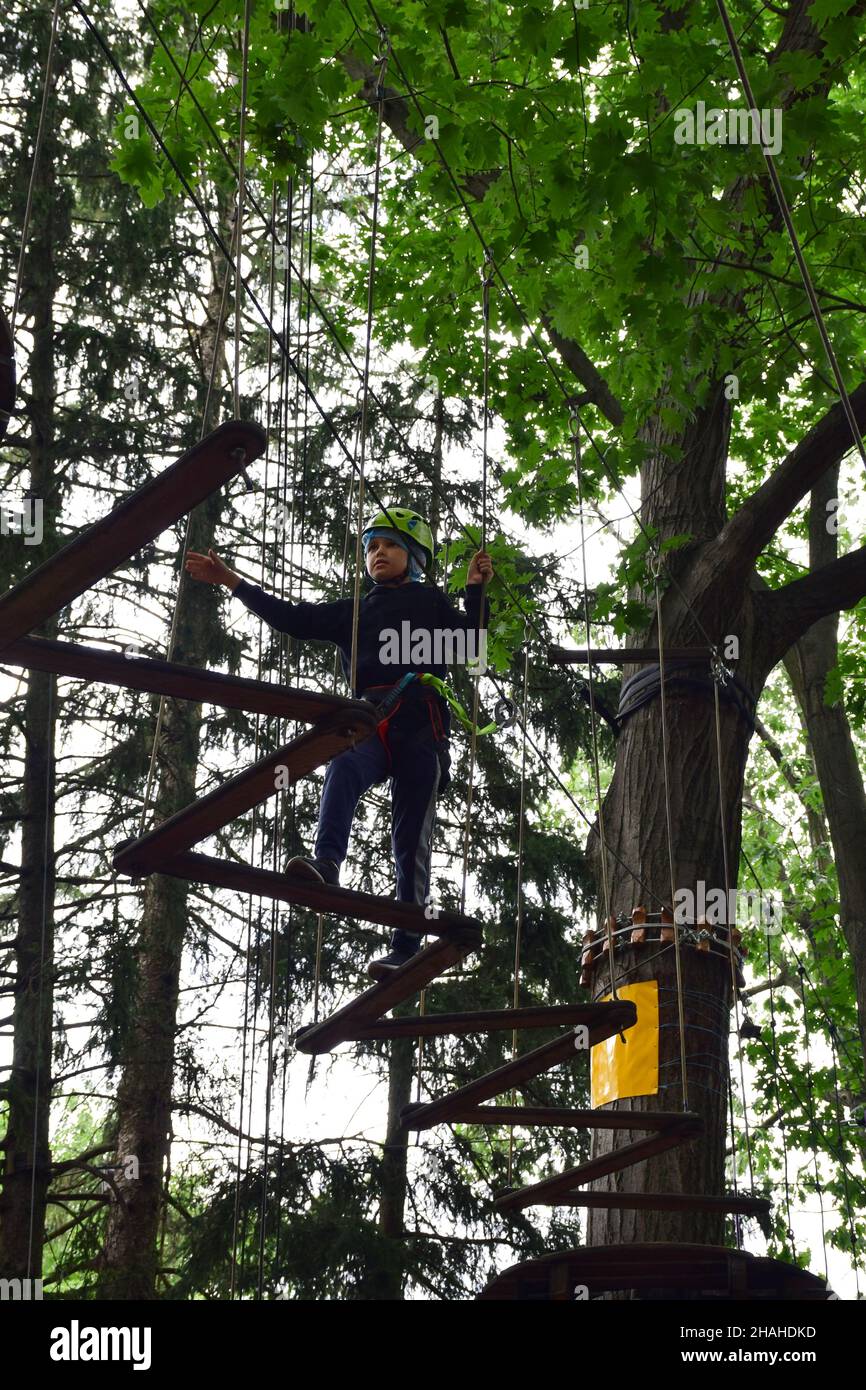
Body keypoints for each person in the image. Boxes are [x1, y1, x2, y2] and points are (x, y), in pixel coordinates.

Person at [185, 506, 493, 981]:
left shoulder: (429, 602)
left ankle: (405, 944)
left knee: (411, 835)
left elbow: (471, 646)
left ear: (414, 557)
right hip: (372, 717)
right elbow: (293, 618)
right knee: (344, 767)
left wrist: (475, 591)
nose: (378, 554)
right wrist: (232, 582)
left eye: (389, 545)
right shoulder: (355, 611)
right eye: (371, 547)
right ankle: (327, 862)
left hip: (420, 723)